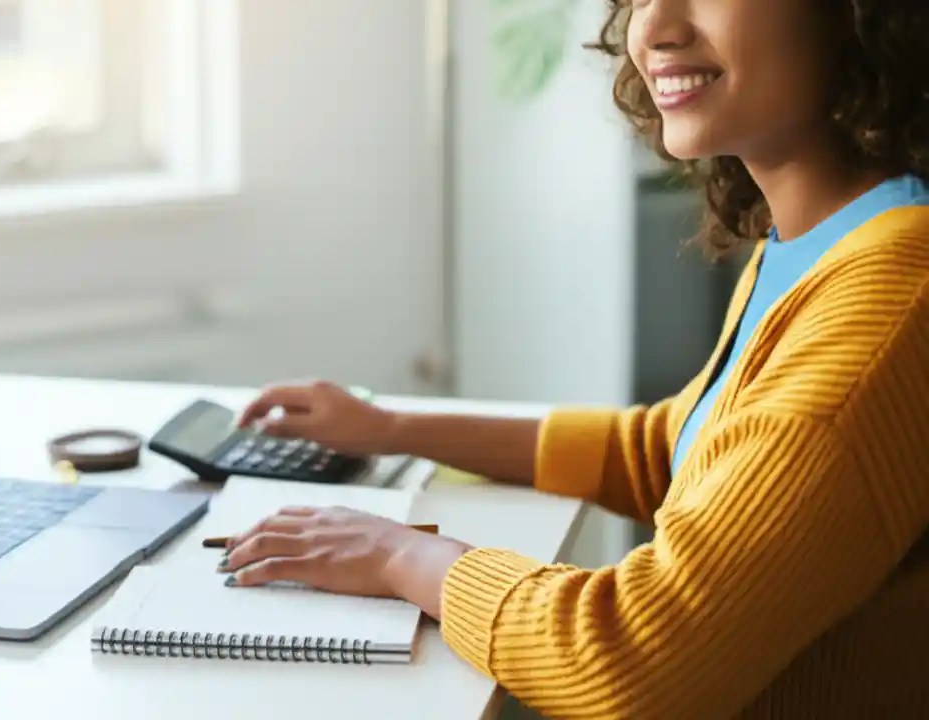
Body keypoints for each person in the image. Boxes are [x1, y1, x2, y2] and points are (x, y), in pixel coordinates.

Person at [219, 0, 929, 717]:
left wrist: (401, 558)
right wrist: (388, 429)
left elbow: (637, 659)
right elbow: (668, 449)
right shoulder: (825, 240)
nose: (653, 32)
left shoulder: (887, 301)